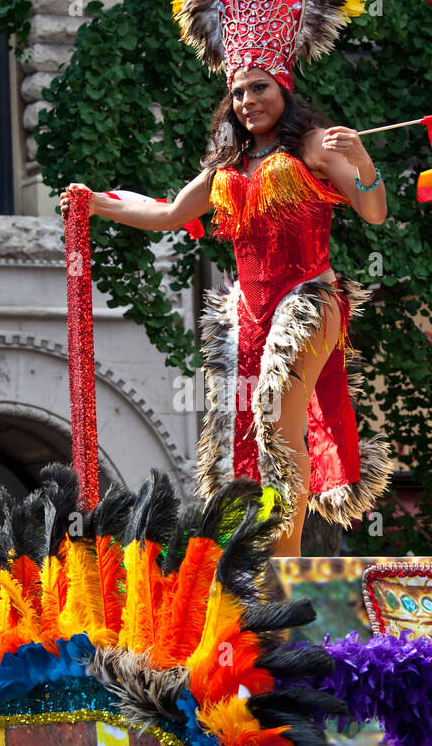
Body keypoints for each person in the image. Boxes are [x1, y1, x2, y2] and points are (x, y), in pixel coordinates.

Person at [61, 64, 391, 557]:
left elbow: (374, 211)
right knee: (235, 431)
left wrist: (363, 161)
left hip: (306, 300)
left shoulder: (317, 144)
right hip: (246, 313)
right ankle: (247, 555)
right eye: (237, 93)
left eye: (259, 88)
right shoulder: (228, 164)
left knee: (276, 420)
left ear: (284, 89)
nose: (247, 101)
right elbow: (168, 213)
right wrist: (97, 204)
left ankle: (286, 559)